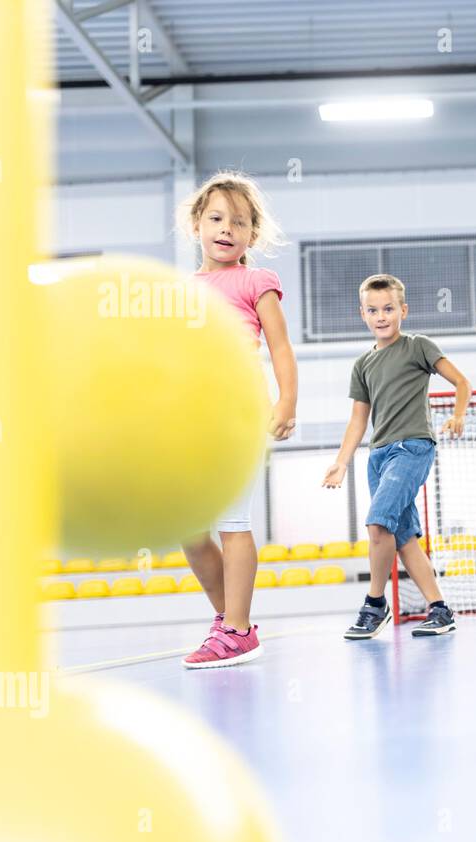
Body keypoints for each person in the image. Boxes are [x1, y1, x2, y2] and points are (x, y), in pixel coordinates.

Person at [177, 172, 298, 669]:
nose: (227, 229)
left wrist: (286, 401)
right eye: (217, 218)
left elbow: (281, 347)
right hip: (193, 421)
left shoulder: (256, 282)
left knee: (232, 523)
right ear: (196, 225)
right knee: (187, 529)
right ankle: (231, 621)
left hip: (238, 416)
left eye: (240, 223)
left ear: (253, 235)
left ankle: (236, 630)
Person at [323, 274, 471, 638]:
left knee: (378, 524)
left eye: (389, 309)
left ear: (403, 310)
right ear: (363, 315)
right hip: (379, 457)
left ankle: (375, 604)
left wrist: (458, 414)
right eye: (373, 310)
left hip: (413, 447)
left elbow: (462, 382)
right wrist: (342, 462)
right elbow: (359, 420)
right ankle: (440, 610)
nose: (382, 316)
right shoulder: (362, 366)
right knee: (403, 539)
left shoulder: (418, 346)